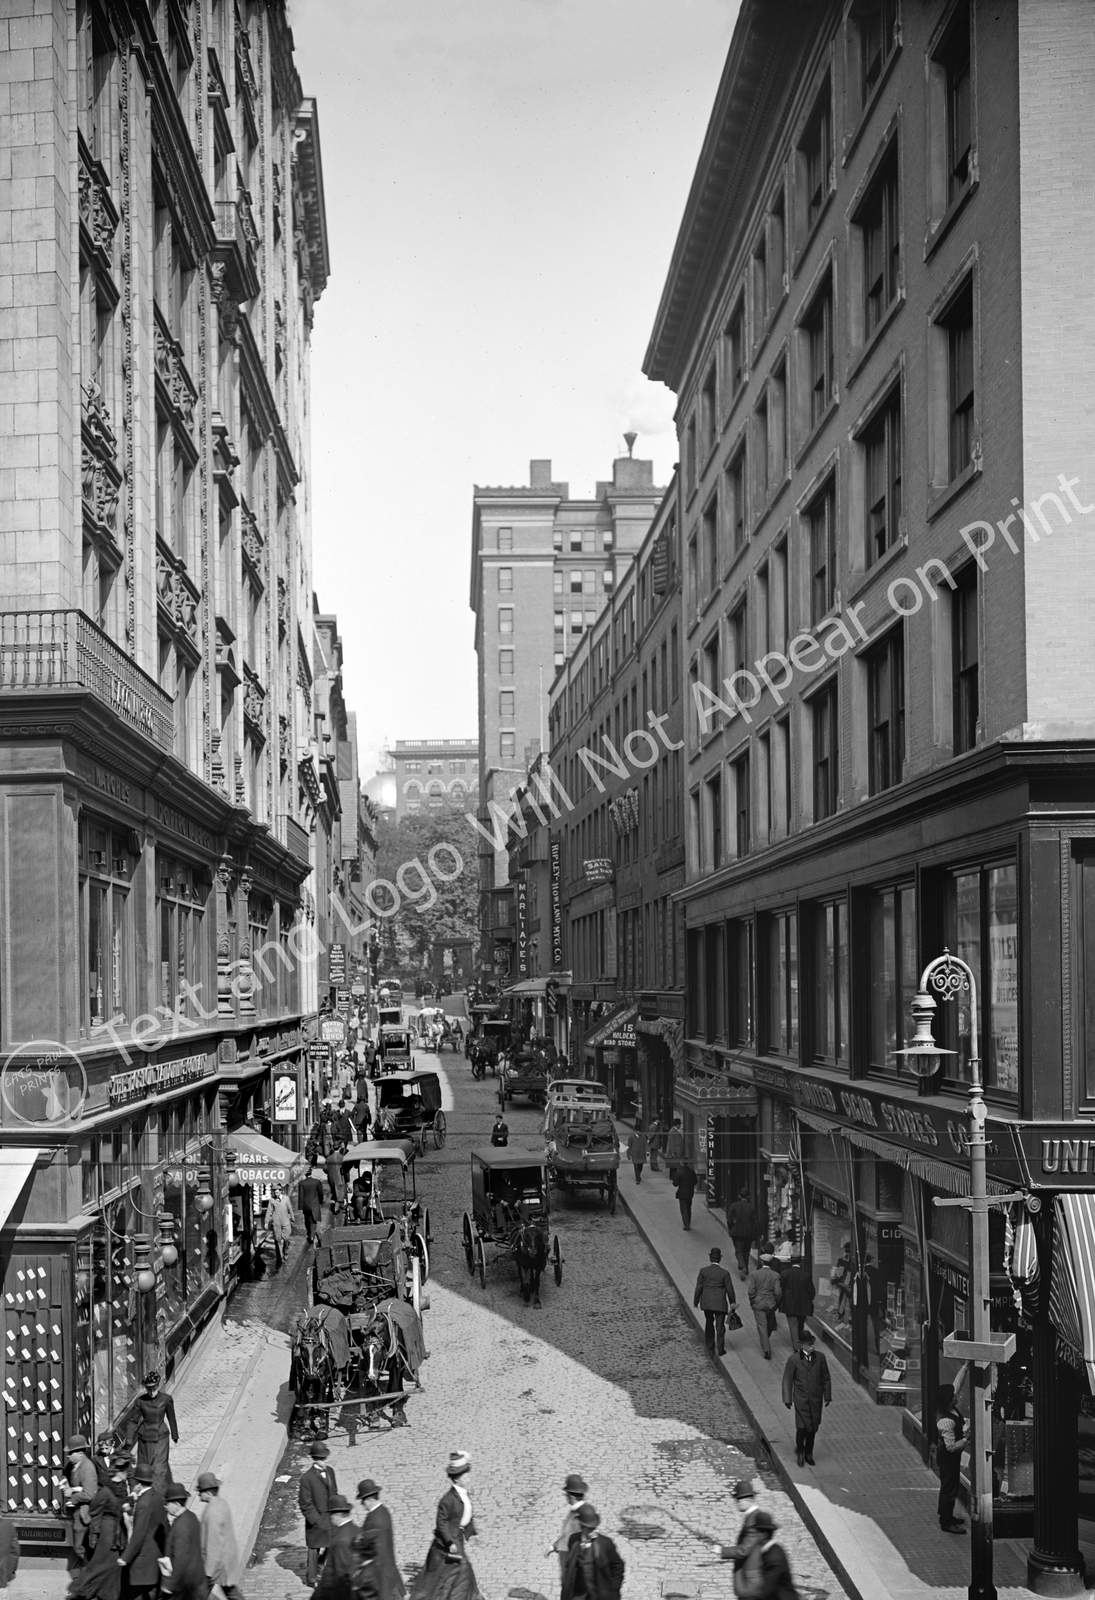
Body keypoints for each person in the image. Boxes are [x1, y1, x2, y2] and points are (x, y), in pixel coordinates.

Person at [408, 1451, 479, 1600]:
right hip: (451, 1540)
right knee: (463, 1569)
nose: (468, 1479)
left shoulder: (463, 1493)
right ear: (457, 1479)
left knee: (453, 1571)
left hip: (458, 1536)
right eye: (465, 1477)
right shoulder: (447, 1500)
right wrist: (449, 1541)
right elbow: (441, 1522)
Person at [68, 1456, 129, 1600]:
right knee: (102, 1566)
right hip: (107, 1533)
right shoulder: (106, 1489)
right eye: (124, 1471)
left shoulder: (121, 1485)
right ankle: (82, 1591)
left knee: (110, 1567)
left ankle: (107, 1594)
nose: (127, 1473)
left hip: (117, 1531)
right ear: (118, 1471)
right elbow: (94, 1511)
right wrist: (94, 1534)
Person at [117, 1463, 167, 1600]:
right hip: (157, 1553)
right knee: (152, 1592)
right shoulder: (157, 1496)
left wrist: (125, 1557)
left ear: (139, 1484)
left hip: (144, 1558)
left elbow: (139, 1534)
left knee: (139, 1593)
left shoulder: (143, 1503)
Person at [782, 1328, 832, 1466]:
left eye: (813, 1344)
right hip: (801, 1400)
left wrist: (827, 1395)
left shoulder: (820, 1358)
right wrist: (787, 1399)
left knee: (812, 1428)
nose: (813, 1347)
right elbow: (787, 1379)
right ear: (802, 1345)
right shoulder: (794, 1359)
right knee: (802, 1427)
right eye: (810, 1344)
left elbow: (826, 1378)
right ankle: (800, 1451)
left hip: (815, 1400)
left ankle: (809, 1453)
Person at [729, 1509, 799, 1600]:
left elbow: (766, 1589)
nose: (752, 1536)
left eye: (756, 1533)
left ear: (763, 1535)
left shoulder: (774, 1557)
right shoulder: (768, 1550)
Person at [126, 1372, 178, 1492]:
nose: (151, 1392)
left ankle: (158, 1493)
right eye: (149, 1389)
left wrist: (175, 1434)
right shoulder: (140, 1401)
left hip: (161, 1437)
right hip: (145, 1438)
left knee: (159, 1467)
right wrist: (129, 1438)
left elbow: (171, 1417)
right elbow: (133, 1420)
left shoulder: (166, 1399)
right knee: (145, 1466)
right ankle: (147, 1490)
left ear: (158, 1386)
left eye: (154, 1388)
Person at [560, 1504, 624, 1600]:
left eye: (594, 1528)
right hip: (578, 1594)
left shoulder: (605, 1543)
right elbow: (569, 1564)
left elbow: (618, 1565)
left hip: (599, 1594)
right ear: (582, 1527)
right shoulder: (573, 1540)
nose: (592, 1531)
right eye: (589, 1528)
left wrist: (614, 1587)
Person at [935, 1363, 971, 1534]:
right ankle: (946, 1521)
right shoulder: (946, 1421)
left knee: (951, 1486)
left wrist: (965, 1366)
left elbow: (957, 1384)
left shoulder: (949, 1405)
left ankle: (946, 1515)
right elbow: (950, 1447)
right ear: (950, 1401)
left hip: (951, 1458)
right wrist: (966, 1439)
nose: (957, 1395)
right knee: (949, 1488)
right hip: (947, 1459)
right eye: (953, 1396)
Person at [357, 1480, 404, 1600]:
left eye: (363, 1501)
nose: (362, 1505)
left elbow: (378, 1550)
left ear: (370, 1500)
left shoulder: (375, 1519)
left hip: (380, 1572)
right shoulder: (383, 1511)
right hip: (387, 1569)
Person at [299, 1440, 338, 1585]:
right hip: (316, 1521)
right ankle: (311, 1578)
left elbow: (334, 1492)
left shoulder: (330, 1472)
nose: (323, 1462)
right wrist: (317, 1520)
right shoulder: (307, 1479)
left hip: (331, 1517)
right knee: (314, 1550)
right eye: (320, 1459)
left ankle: (321, 1566)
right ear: (314, 1459)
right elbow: (305, 1504)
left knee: (332, 1543)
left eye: (324, 1458)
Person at [196, 1472, 240, 1596]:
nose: (199, 1495)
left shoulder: (212, 1512)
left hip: (217, 1565)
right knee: (231, 1592)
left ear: (209, 1493)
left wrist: (208, 1572)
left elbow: (213, 1543)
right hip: (226, 1560)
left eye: (201, 1492)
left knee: (199, 1595)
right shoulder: (222, 1503)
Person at [312, 1494, 360, 1600]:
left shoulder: (340, 1540)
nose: (330, 1518)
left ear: (337, 1515)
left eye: (331, 1514)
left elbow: (341, 1574)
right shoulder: (356, 1529)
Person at [162, 1483, 205, 1600]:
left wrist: (169, 1585)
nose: (165, 1506)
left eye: (167, 1503)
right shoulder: (191, 1516)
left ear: (176, 1505)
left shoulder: (181, 1526)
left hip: (186, 1587)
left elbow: (180, 1559)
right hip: (195, 1582)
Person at [693, 1247, 736, 1357]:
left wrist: (696, 1301)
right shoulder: (724, 1273)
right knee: (720, 1326)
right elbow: (730, 1290)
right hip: (720, 1303)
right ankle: (721, 1349)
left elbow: (699, 1287)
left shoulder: (703, 1271)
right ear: (719, 1260)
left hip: (707, 1302)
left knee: (709, 1323)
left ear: (710, 1258)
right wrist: (733, 1303)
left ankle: (710, 1347)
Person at [63, 1435, 98, 1564]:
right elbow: (66, 1476)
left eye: (71, 1453)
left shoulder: (87, 1468)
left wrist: (72, 1497)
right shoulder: (75, 1465)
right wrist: (67, 1485)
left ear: (80, 1453)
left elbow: (89, 1494)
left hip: (84, 1512)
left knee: (79, 1547)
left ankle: (90, 1571)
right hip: (78, 1511)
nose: (68, 1456)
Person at [550, 1474, 589, 1577]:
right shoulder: (576, 1510)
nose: (565, 1496)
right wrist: (553, 1546)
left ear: (571, 1496)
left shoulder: (580, 1514)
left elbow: (582, 1539)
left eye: (566, 1494)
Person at [747, 1255, 783, 1359]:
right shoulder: (776, 1275)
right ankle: (766, 1341)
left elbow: (751, 1291)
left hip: (758, 1303)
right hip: (771, 1303)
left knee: (762, 1326)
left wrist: (752, 1301)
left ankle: (767, 1350)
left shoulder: (754, 1274)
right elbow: (778, 1292)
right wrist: (776, 1301)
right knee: (770, 1325)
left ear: (762, 1262)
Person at [779, 1258, 814, 1353]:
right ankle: (799, 1341)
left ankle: (797, 1347)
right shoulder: (806, 1275)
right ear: (800, 1263)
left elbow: (781, 1289)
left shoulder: (785, 1274)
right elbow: (811, 1292)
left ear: (791, 1263)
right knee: (800, 1323)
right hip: (803, 1305)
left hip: (790, 1304)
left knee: (793, 1325)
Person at [726, 1188, 760, 1279]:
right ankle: (746, 1268)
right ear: (748, 1196)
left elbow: (729, 1219)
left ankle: (743, 1266)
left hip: (736, 1231)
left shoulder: (734, 1205)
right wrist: (757, 1232)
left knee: (738, 1251)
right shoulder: (751, 1207)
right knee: (746, 1251)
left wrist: (730, 1227)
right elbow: (755, 1221)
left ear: (739, 1196)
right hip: (748, 1232)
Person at [264, 1186, 294, 1270]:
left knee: (286, 1238)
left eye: (277, 1192)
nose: (275, 1193)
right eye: (274, 1192)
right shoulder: (271, 1200)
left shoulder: (286, 1199)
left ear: (281, 1191)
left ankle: (286, 1251)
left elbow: (290, 1209)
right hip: (276, 1222)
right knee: (277, 1239)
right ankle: (279, 1257)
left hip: (285, 1221)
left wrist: (292, 1218)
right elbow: (269, 1212)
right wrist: (266, 1222)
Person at [300, 1166, 327, 1246]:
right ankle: (312, 1235)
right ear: (311, 1173)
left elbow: (301, 1196)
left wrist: (301, 1207)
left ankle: (309, 1233)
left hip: (306, 1204)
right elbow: (321, 1193)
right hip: (314, 1204)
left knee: (307, 1219)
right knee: (313, 1220)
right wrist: (321, 1201)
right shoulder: (317, 1182)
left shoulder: (302, 1183)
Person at [674, 1160, 697, 1230]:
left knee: (684, 1209)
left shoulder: (679, 1172)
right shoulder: (692, 1171)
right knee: (689, 1208)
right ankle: (688, 1222)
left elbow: (675, 1183)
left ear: (681, 1162)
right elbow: (695, 1181)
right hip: (690, 1192)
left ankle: (686, 1225)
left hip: (682, 1193)